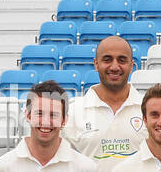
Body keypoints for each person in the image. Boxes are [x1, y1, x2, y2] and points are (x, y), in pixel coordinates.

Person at [61, 35, 145, 164]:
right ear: (96, 64)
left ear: (132, 65)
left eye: (122, 60)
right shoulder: (73, 112)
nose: (114, 67)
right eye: (107, 60)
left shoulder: (149, 110)